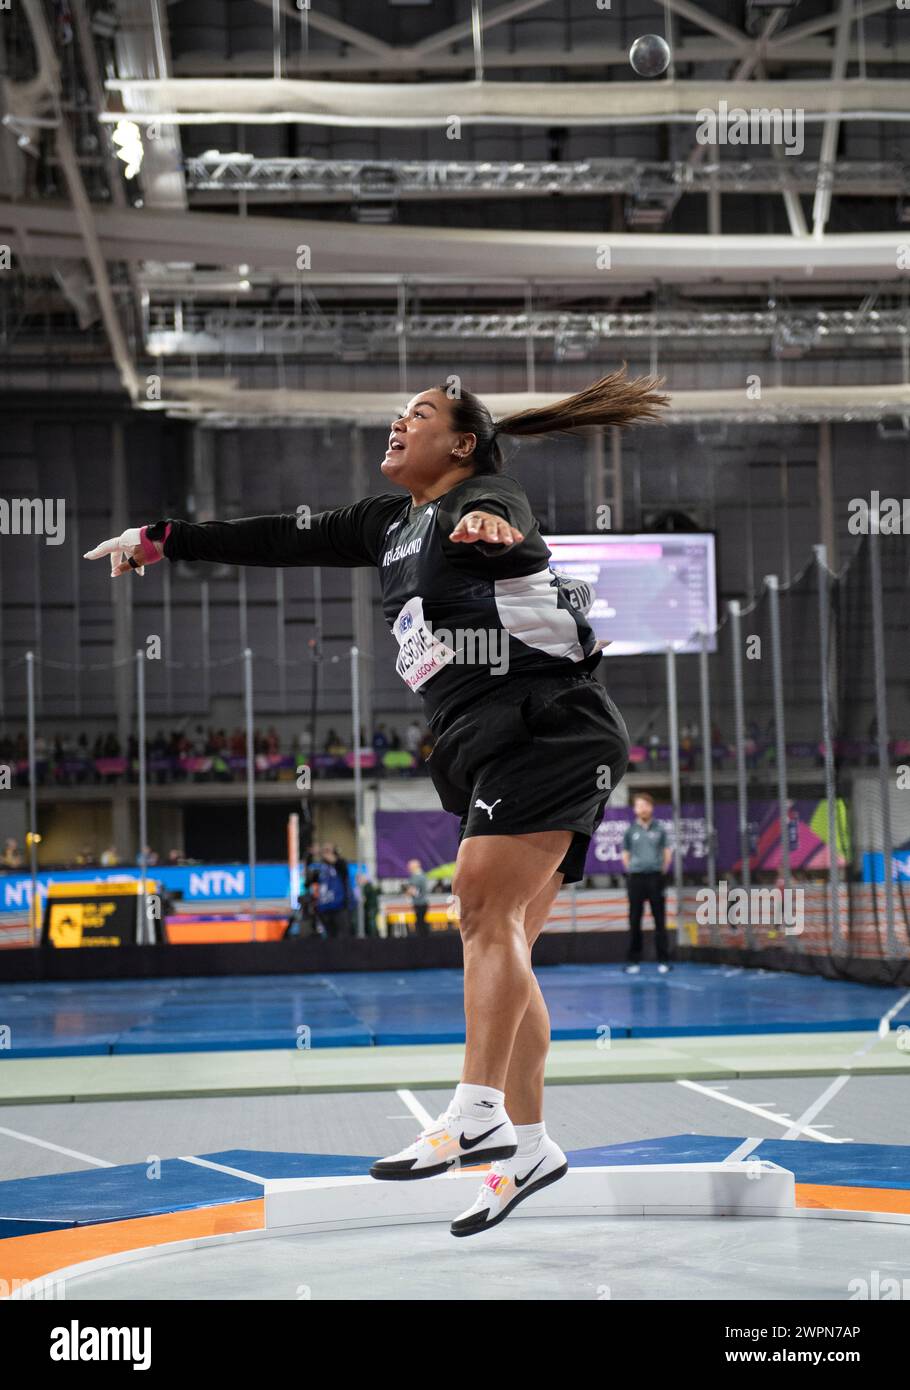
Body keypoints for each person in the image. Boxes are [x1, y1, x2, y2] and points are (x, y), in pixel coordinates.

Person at [85, 366, 665, 1236]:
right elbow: (276, 536)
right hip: (480, 739)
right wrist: (164, 536)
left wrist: (487, 526)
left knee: (480, 905)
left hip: (553, 723)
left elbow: (506, 524)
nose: (398, 425)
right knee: (499, 941)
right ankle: (533, 1147)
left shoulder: (490, 495)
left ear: (461, 443)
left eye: (419, 415)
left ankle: (477, 1112)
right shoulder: (386, 524)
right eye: (397, 415)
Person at [621, 793, 673, 974]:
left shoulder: (660, 829)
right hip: (636, 879)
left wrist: (661, 870)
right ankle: (633, 961)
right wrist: (631, 869)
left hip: (655, 878)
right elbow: (625, 853)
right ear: (635, 809)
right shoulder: (630, 830)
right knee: (634, 920)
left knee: (660, 920)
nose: (642, 808)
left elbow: (667, 852)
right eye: (639, 805)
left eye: (645, 805)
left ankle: (664, 961)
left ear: (651, 807)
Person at [404, 857, 430, 936]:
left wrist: (408, 891)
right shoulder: (421, 876)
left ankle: (423, 941)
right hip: (421, 903)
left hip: (420, 903)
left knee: (420, 924)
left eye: (410, 867)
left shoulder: (417, 877)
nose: (408, 869)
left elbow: (414, 891)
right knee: (421, 923)